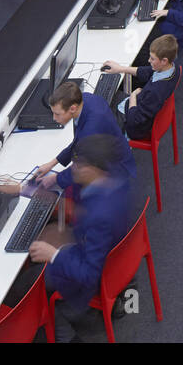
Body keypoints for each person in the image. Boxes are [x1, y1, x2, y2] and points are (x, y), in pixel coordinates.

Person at [28, 134, 133, 343]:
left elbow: (88, 274)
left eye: (79, 165)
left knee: (29, 291)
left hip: (90, 272)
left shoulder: (99, 217)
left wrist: (55, 254)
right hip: (106, 255)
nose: (73, 168)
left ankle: (68, 338)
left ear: (96, 170)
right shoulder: (117, 185)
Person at [35, 81, 135, 194]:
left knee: (70, 197)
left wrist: (54, 179)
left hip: (115, 171)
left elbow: (80, 168)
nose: (54, 118)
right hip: (110, 156)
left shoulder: (91, 128)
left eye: (57, 114)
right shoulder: (85, 99)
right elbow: (77, 141)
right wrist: (52, 163)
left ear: (72, 108)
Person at [102, 35, 180, 142]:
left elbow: (134, 120)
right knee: (104, 98)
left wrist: (133, 96)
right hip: (135, 105)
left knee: (95, 118)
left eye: (152, 59)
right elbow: (147, 71)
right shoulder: (173, 68)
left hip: (131, 124)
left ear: (164, 61)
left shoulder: (155, 91)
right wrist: (121, 68)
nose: (148, 60)